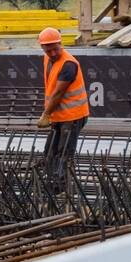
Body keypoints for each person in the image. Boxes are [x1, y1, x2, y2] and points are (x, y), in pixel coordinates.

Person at [37, 27, 89, 189]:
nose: (52, 53)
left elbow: (58, 93)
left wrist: (46, 114)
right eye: (48, 50)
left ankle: (62, 188)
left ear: (61, 44)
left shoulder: (68, 64)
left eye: (55, 49)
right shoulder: (48, 59)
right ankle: (53, 185)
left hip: (73, 116)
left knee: (64, 153)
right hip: (58, 115)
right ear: (42, 47)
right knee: (50, 152)